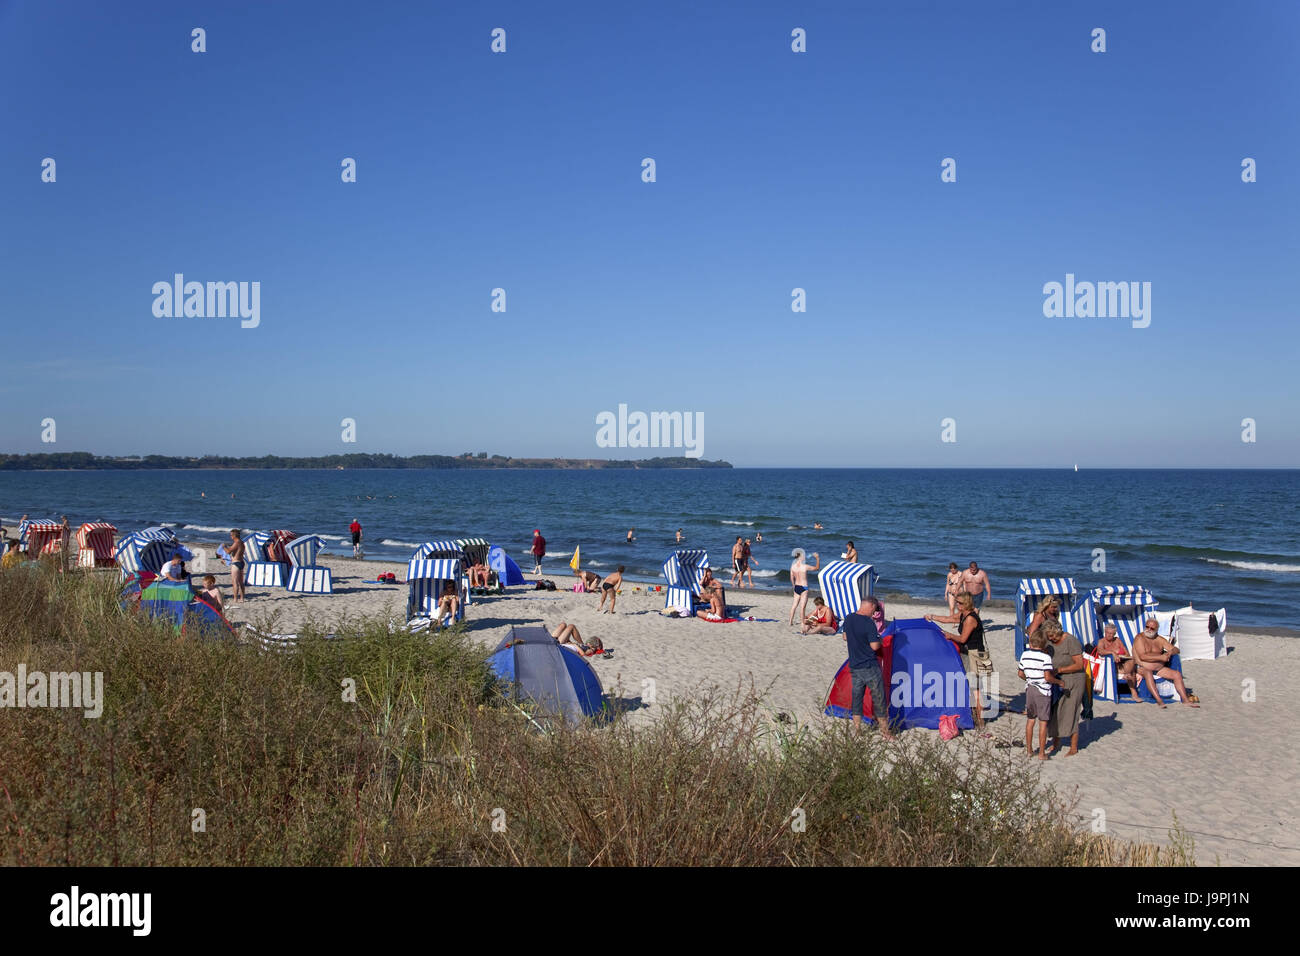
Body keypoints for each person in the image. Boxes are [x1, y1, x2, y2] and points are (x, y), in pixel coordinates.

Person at [926, 592, 990, 730]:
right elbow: (947, 619)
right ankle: (974, 715)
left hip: (975, 655)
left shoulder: (970, 618)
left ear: (966, 603)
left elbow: (962, 639)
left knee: (976, 689)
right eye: (956, 602)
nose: (957, 604)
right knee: (970, 685)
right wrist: (931, 617)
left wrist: (949, 635)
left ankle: (981, 721)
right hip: (967, 653)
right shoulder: (963, 615)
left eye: (959, 602)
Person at [844, 596, 894, 738]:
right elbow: (874, 646)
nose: (875, 612)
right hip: (869, 666)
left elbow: (845, 637)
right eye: (876, 609)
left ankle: (857, 730)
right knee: (879, 698)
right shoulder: (868, 623)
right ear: (871, 606)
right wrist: (880, 639)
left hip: (855, 665)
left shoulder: (849, 618)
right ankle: (885, 732)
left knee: (857, 698)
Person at [1133, 618, 1199, 708]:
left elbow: (1176, 649)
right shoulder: (1139, 638)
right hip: (1142, 667)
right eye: (1147, 627)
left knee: (1177, 674)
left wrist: (1170, 652)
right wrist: (1161, 657)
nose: (1148, 629)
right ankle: (1159, 700)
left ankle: (1185, 700)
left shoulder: (1160, 640)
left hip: (1159, 669)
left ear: (1157, 629)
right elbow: (1142, 656)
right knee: (1148, 673)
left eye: (1152, 628)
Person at [1043, 619, 1087, 755]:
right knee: (1056, 711)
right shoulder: (1050, 641)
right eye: (1049, 636)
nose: (1051, 638)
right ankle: (1056, 742)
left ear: (1057, 631)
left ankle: (1073, 747)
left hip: (1074, 679)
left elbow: (1079, 664)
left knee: (1071, 711)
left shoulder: (1071, 641)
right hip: (1057, 680)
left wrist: (1060, 670)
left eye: (1052, 636)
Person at [1017, 629, 1061, 759]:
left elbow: (1020, 673)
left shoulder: (1025, 655)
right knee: (1043, 722)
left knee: (1030, 720)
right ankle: (1042, 753)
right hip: (1043, 690)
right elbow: (1047, 677)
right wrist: (1059, 682)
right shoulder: (1045, 658)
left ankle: (1029, 750)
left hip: (1030, 688)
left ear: (1031, 643)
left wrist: (1029, 679)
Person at [1096, 623, 1142, 702]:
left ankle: (1127, 675)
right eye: (1107, 633)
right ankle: (1134, 693)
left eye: (1111, 633)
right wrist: (1112, 653)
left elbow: (1127, 653)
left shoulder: (1117, 640)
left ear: (1114, 634)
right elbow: (1100, 651)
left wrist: (1121, 656)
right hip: (1111, 666)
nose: (1109, 635)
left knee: (1131, 660)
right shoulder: (1101, 641)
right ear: (1105, 632)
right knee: (1132, 672)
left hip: (1123, 664)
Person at [788, 548, 820, 626]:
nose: (804, 557)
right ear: (800, 557)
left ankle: (790, 621)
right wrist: (817, 558)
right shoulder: (805, 566)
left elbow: (791, 577)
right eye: (803, 556)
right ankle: (802, 623)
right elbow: (817, 568)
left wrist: (793, 585)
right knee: (802, 607)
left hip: (797, 586)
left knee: (794, 605)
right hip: (804, 587)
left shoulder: (793, 567)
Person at [226, 529, 246, 603]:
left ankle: (235, 599)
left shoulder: (237, 542)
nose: (230, 536)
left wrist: (224, 546)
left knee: (235, 582)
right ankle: (242, 598)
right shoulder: (242, 542)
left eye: (231, 535)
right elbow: (236, 550)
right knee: (241, 582)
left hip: (236, 563)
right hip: (241, 562)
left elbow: (228, 551)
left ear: (234, 535)